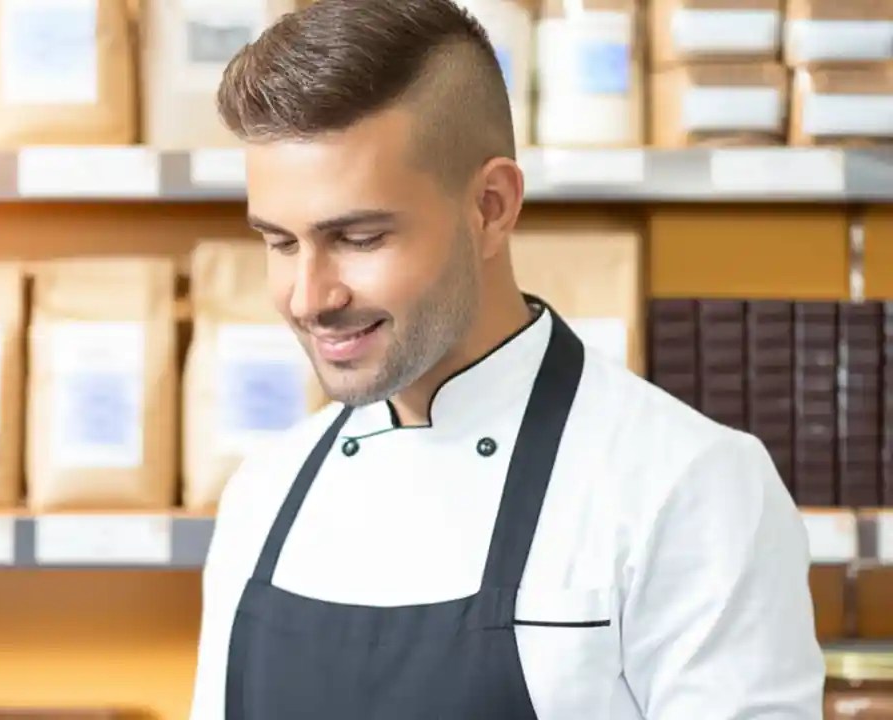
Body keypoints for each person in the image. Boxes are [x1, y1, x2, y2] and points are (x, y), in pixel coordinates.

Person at [189, 0, 825, 717]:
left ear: (491, 206)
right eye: (280, 242)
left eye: (360, 238)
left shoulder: (688, 490)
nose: (310, 296)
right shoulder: (263, 495)